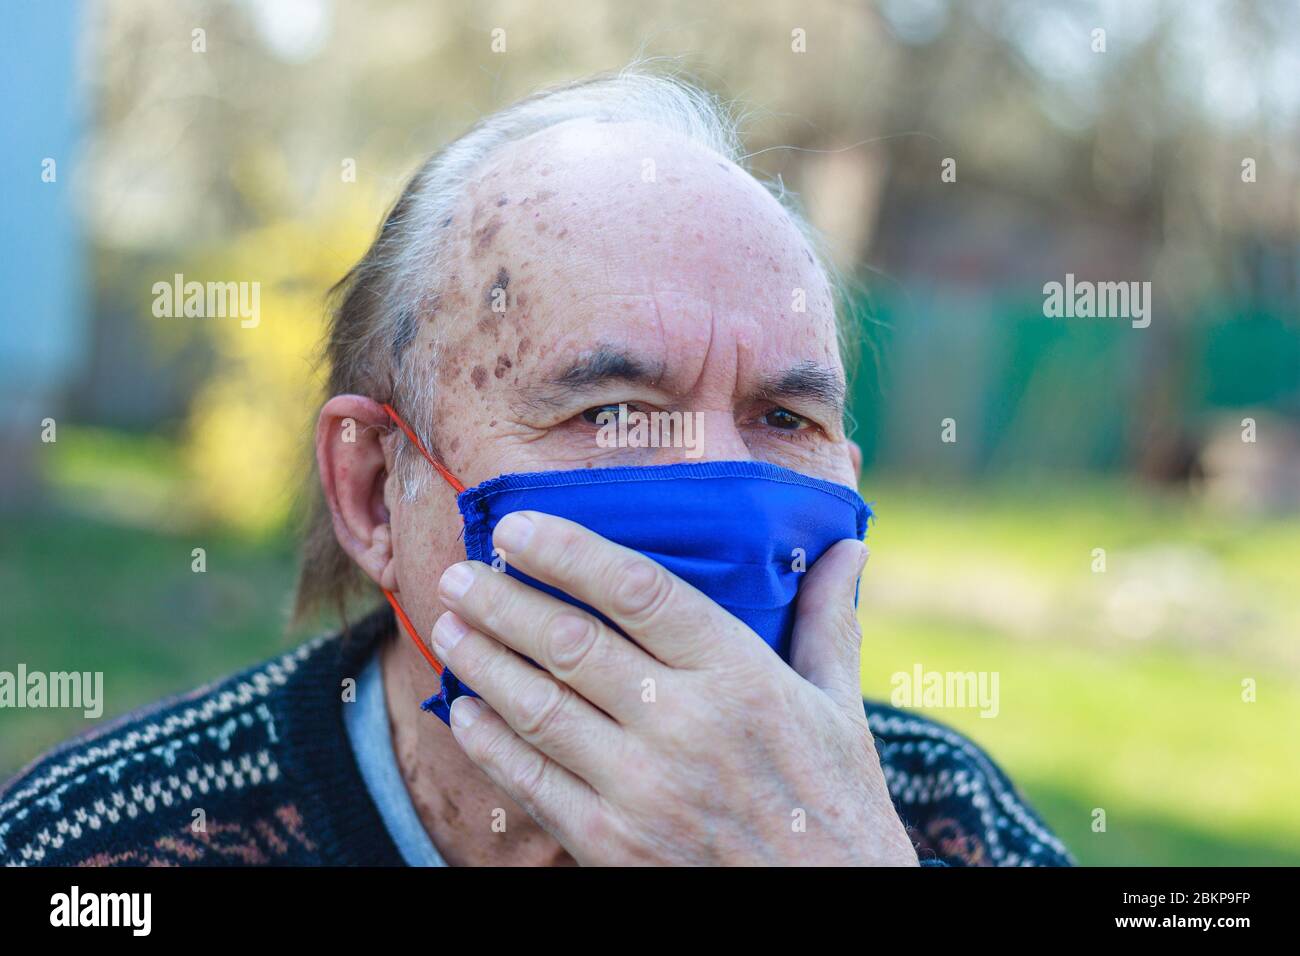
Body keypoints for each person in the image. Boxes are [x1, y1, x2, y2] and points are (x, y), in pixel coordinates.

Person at [0, 69, 1072, 867]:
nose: (720, 482)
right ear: (375, 488)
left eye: (783, 416)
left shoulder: (942, 817)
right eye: (612, 408)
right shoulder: (107, 846)